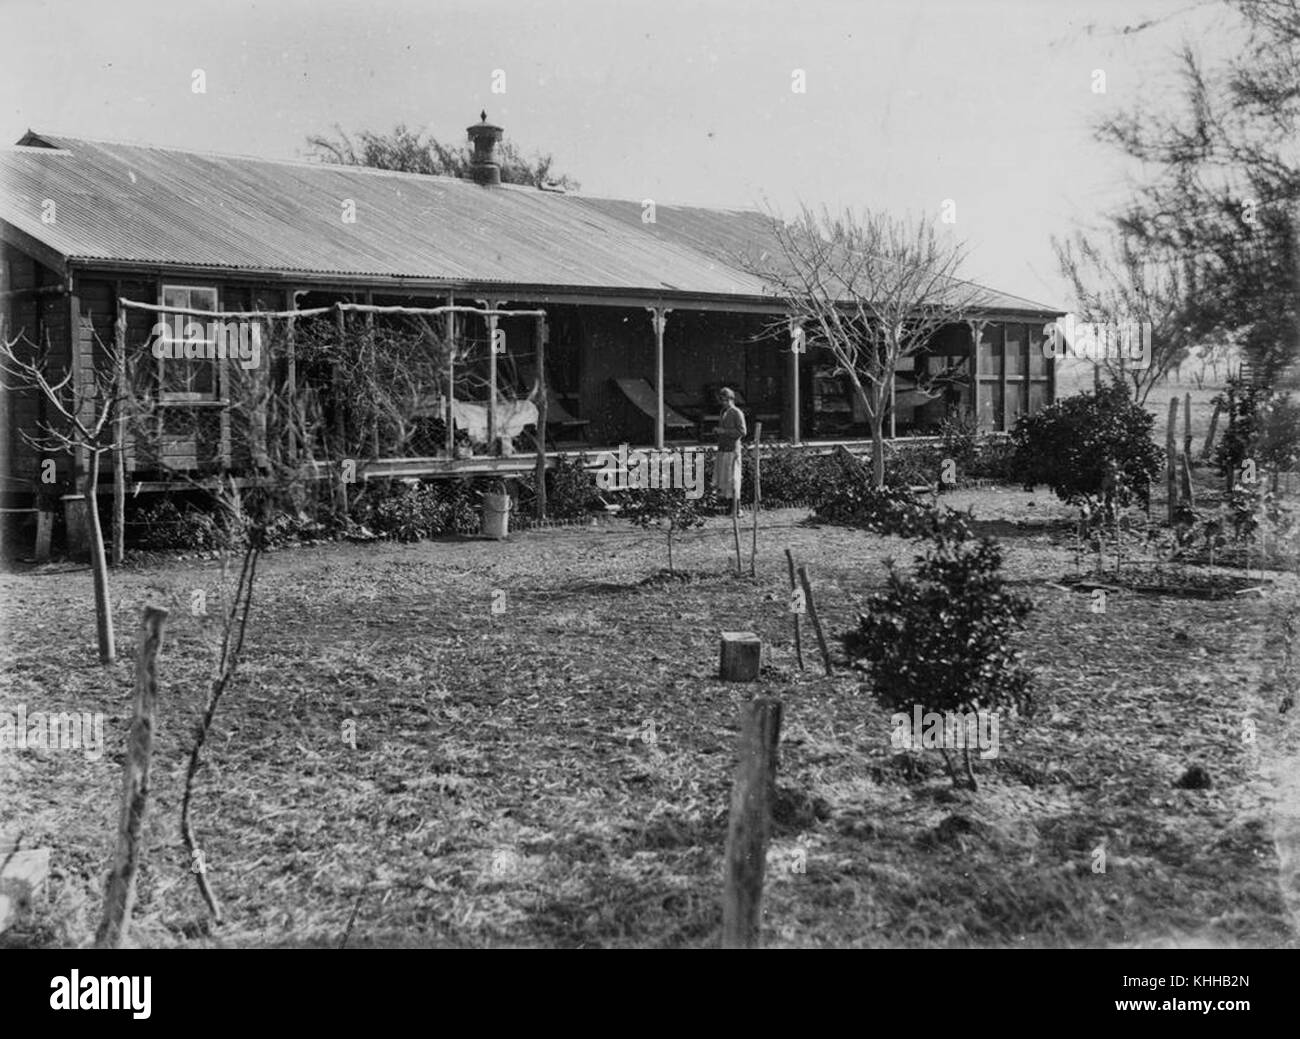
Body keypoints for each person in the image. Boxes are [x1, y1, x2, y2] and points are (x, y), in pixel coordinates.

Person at [714, 387, 747, 513]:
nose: (724, 402)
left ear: (732, 399)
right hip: (723, 448)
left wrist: (725, 431)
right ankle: (729, 506)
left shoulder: (736, 412)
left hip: (733, 450)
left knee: (734, 477)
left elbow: (742, 431)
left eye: (726, 400)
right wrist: (718, 432)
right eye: (722, 400)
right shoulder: (723, 412)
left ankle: (737, 508)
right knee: (725, 478)